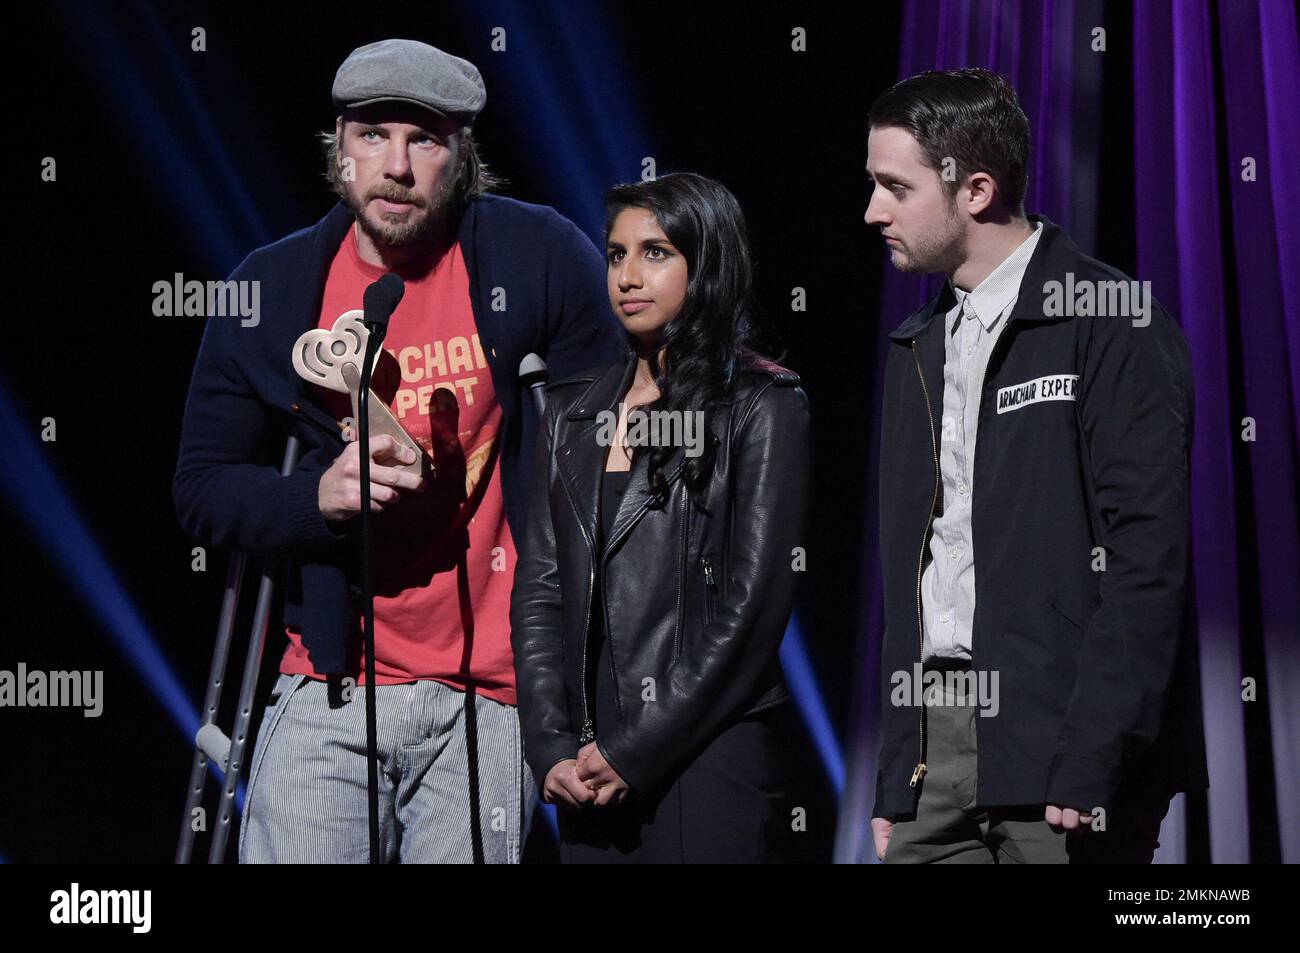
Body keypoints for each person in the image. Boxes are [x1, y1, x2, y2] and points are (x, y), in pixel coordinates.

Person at [172, 38, 624, 863]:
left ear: (463, 156)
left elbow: (620, 430)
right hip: (328, 684)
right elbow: (201, 490)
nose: (398, 165)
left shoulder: (535, 258)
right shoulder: (270, 293)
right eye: (374, 134)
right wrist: (318, 497)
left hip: (493, 695)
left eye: (426, 140)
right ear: (338, 147)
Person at [865, 68, 1207, 863]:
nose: (874, 211)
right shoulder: (918, 344)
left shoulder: (1110, 319)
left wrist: (1093, 752)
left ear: (975, 190)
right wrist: (896, 773)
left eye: (894, 187)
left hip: (1062, 751)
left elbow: (1147, 560)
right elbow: (918, 572)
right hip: (933, 755)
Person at [510, 172, 813, 862]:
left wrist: (636, 747)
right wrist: (551, 744)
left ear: (705, 265)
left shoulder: (763, 406)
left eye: (655, 252)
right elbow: (539, 591)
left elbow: (753, 611)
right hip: (587, 764)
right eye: (617, 254)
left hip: (706, 751)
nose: (627, 275)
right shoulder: (570, 414)